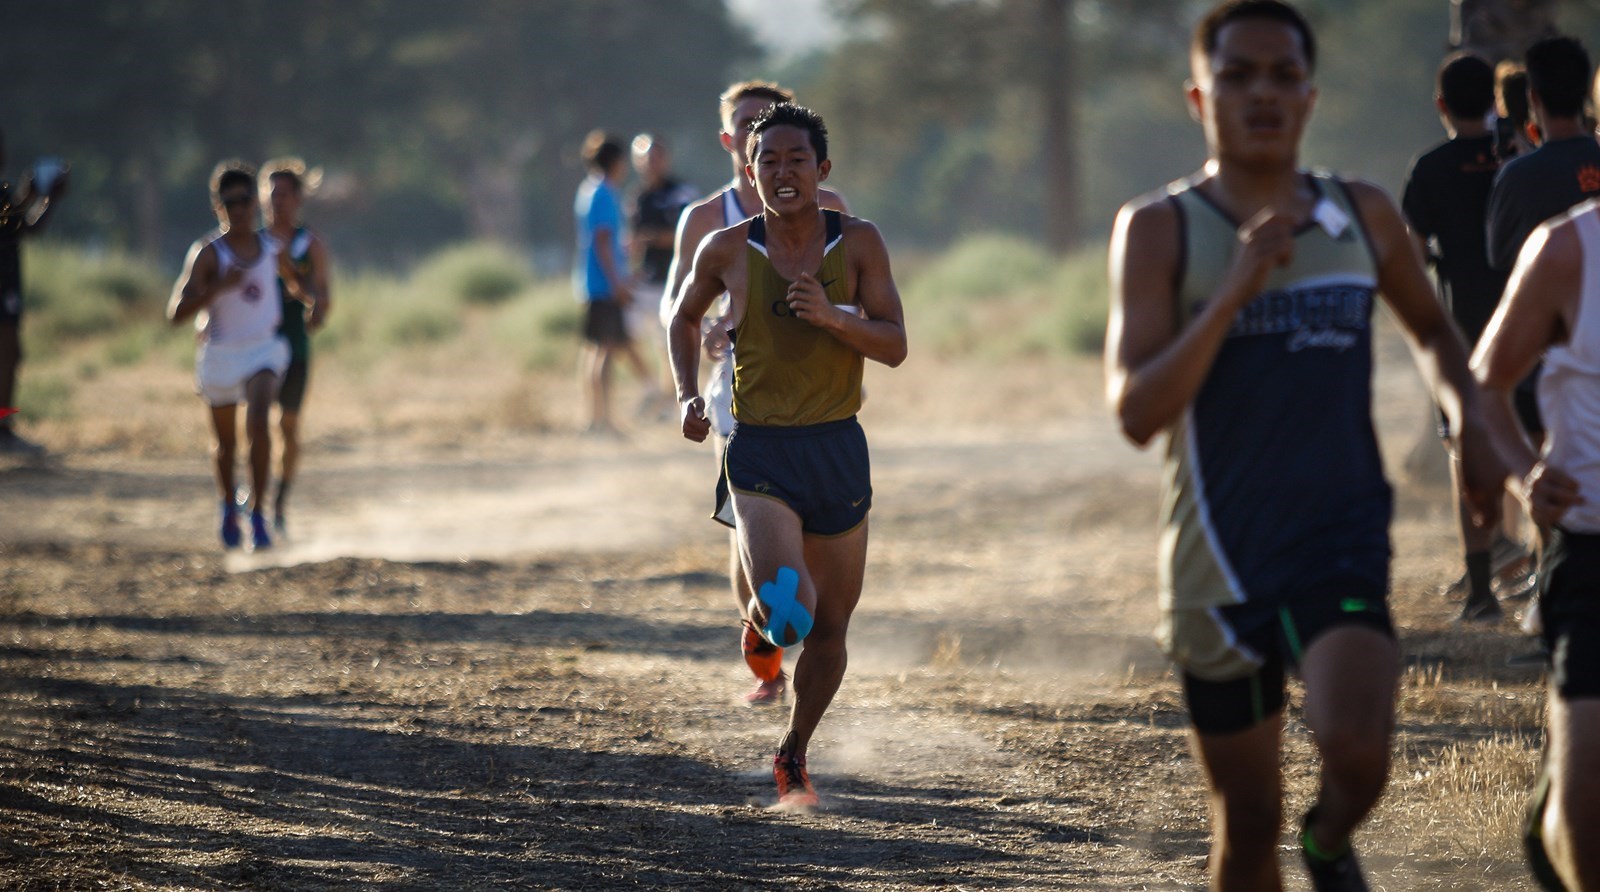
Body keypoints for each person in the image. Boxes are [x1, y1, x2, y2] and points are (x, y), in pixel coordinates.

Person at [1104, 3, 1505, 889]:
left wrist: (1468, 420)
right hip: (1219, 563)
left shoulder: (1358, 212)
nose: (1262, 94)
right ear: (1197, 97)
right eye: (1238, 75)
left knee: (1359, 756)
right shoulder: (1161, 228)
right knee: (1246, 825)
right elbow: (1135, 410)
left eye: (1283, 75)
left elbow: (1437, 336)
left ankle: (1328, 841)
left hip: (1340, 537)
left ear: (1311, 96)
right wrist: (1236, 289)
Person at [669, 102, 906, 808]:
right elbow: (683, 316)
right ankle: (762, 626)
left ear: (821, 170)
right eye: (766, 161)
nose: (782, 172)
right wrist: (689, 394)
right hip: (762, 446)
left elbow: (895, 344)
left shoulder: (859, 244)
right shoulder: (728, 249)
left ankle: (794, 752)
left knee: (830, 630)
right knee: (791, 615)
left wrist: (835, 318)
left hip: (837, 445)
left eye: (795, 159)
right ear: (748, 171)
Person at [664, 80, 850, 706]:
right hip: (737, 392)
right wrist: (715, 330)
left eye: (764, 126)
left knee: (804, 537)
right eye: (744, 126)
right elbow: (676, 307)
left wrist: (832, 316)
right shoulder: (707, 222)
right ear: (731, 142)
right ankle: (766, 639)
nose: (755, 134)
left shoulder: (835, 213)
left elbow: (858, 296)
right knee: (750, 515)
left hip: (820, 400)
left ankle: (783, 616)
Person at [1472, 176, 1600, 891]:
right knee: (1590, 810)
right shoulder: (1566, 249)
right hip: (1591, 548)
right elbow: (1487, 382)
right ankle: (1560, 807)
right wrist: (1524, 476)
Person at [1402, 52, 1528, 622]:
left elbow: (1410, 250)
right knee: (1529, 436)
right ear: (1495, 102)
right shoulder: (1516, 159)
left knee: (1466, 448)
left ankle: (1482, 591)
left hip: (1464, 326)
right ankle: (1527, 565)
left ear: (1441, 105)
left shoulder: (1430, 168)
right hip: (1527, 319)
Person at [168, 161, 288, 552]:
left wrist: (314, 301)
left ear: (256, 202)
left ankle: (258, 513)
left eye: (244, 200)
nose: (238, 209)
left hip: (263, 349)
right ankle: (227, 506)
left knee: (258, 422)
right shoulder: (208, 254)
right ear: (218, 207)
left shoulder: (271, 248)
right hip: (220, 353)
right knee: (225, 445)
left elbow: (297, 284)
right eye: (229, 202)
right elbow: (177, 313)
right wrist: (218, 287)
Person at [259, 158, 331, 538]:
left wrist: (313, 308)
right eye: (271, 194)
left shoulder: (310, 244)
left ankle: (280, 502)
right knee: (255, 424)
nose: (277, 201)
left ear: (299, 199)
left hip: (295, 349)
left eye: (285, 194)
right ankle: (254, 495)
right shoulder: (249, 244)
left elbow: (323, 301)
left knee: (286, 426)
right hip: (255, 346)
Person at [574, 130, 660, 435]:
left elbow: (604, 242)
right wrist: (618, 283)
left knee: (595, 351)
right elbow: (601, 241)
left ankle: (594, 418)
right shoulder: (605, 194)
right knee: (605, 353)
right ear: (616, 162)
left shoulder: (588, 190)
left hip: (590, 282)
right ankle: (602, 421)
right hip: (604, 285)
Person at [0, 128, 68, 456]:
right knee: (7, 355)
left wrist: (38, 199)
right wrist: (38, 199)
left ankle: (4, 426)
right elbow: (15, 225)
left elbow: (18, 225)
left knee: (10, 357)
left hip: (7, 285)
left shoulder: (3, 191)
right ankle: (3, 428)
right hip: (3, 287)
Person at [629, 133, 697, 411]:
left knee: (666, 343)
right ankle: (653, 389)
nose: (651, 163)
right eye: (645, 158)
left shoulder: (682, 192)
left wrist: (653, 239)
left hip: (674, 278)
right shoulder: (638, 197)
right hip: (645, 279)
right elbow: (634, 239)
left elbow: (690, 234)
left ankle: (670, 401)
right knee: (621, 335)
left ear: (665, 159)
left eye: (656, 157)